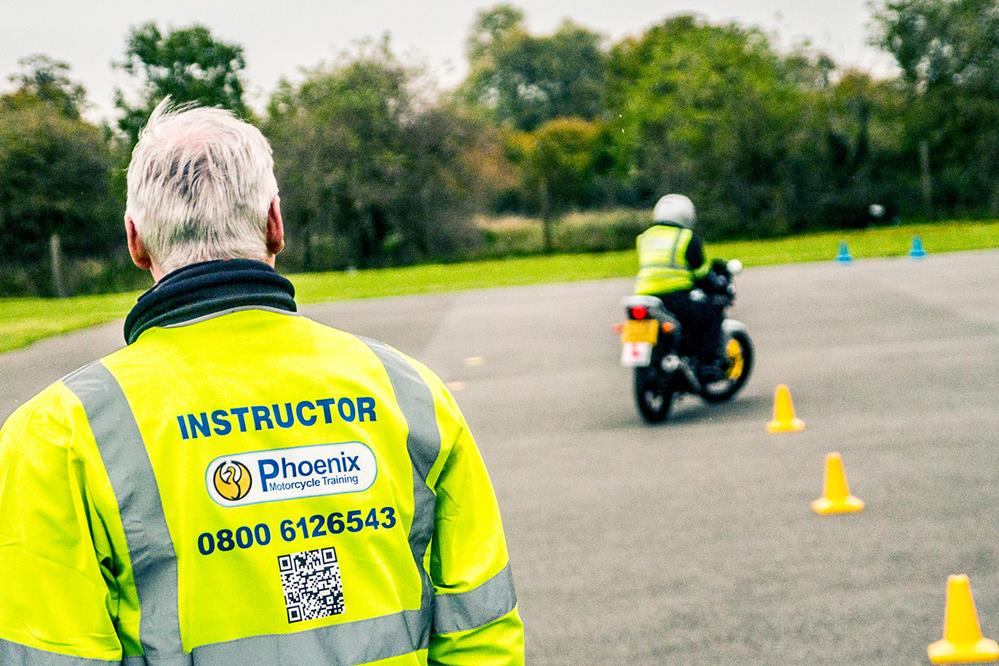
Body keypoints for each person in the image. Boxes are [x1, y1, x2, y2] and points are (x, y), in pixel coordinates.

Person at [0, 100, 524, 665]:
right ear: (275, 223)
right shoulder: (410, 392)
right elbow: (480, 634)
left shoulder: (57, 434)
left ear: (135, 240)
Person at [633, 193, 724, 379]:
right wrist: (717, 285)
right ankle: (706, 364)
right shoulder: (686, 238)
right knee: (712, 310)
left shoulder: (643, 237)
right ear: (687, 215)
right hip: (675, 295)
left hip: (643, 296)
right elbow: (701, 274)